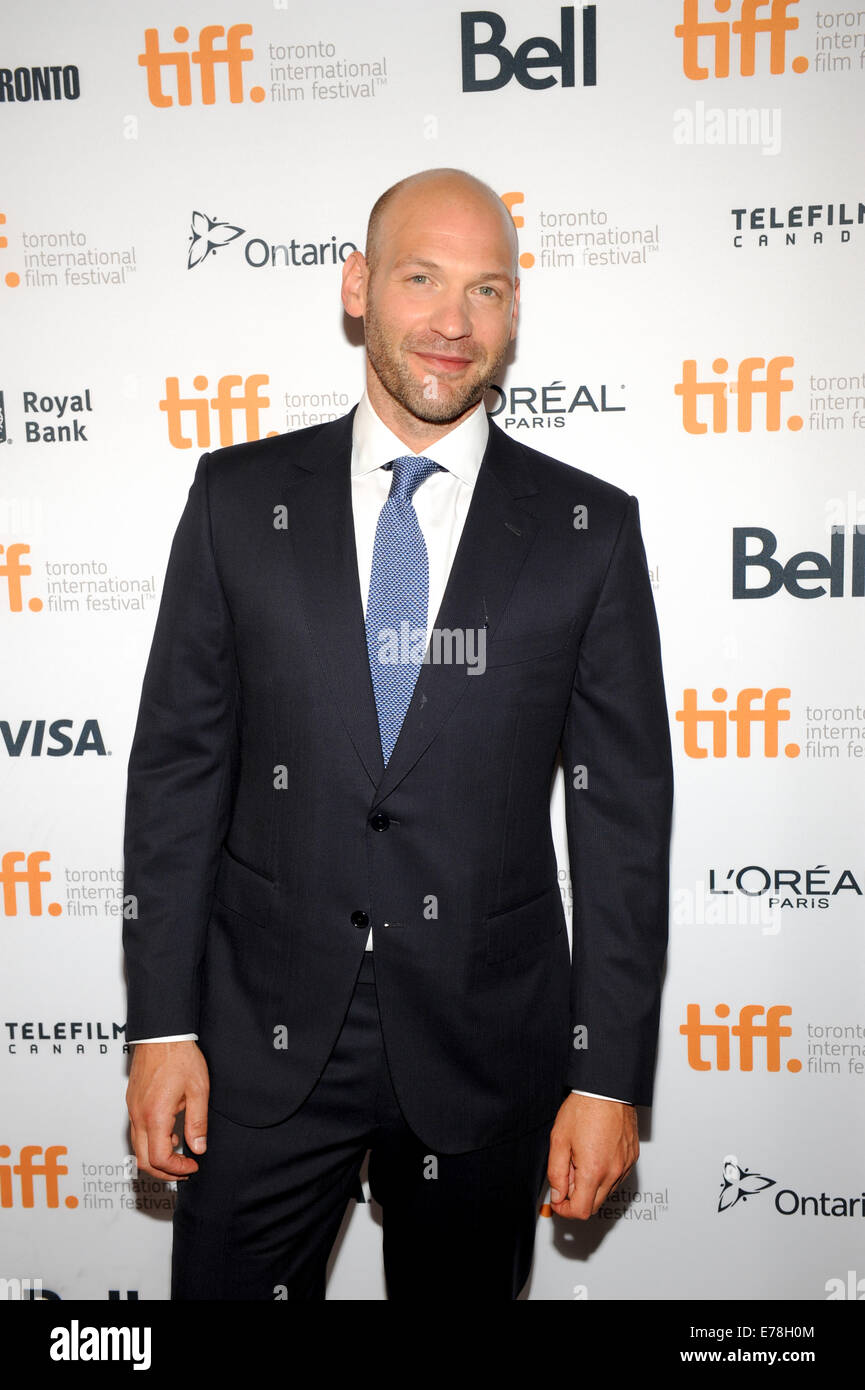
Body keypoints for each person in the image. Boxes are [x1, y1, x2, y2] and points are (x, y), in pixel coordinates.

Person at [122, 167, 673, 1300]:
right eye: (422, 278)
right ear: (358, 287)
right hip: (256, 1043)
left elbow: (621, 823)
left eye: (487, 290)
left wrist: (609, 1080)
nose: (451, 323)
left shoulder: (587, 531)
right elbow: (178, 771)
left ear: (514, 314)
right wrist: (162, 1025)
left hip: (487, 1046)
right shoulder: (237, 500)